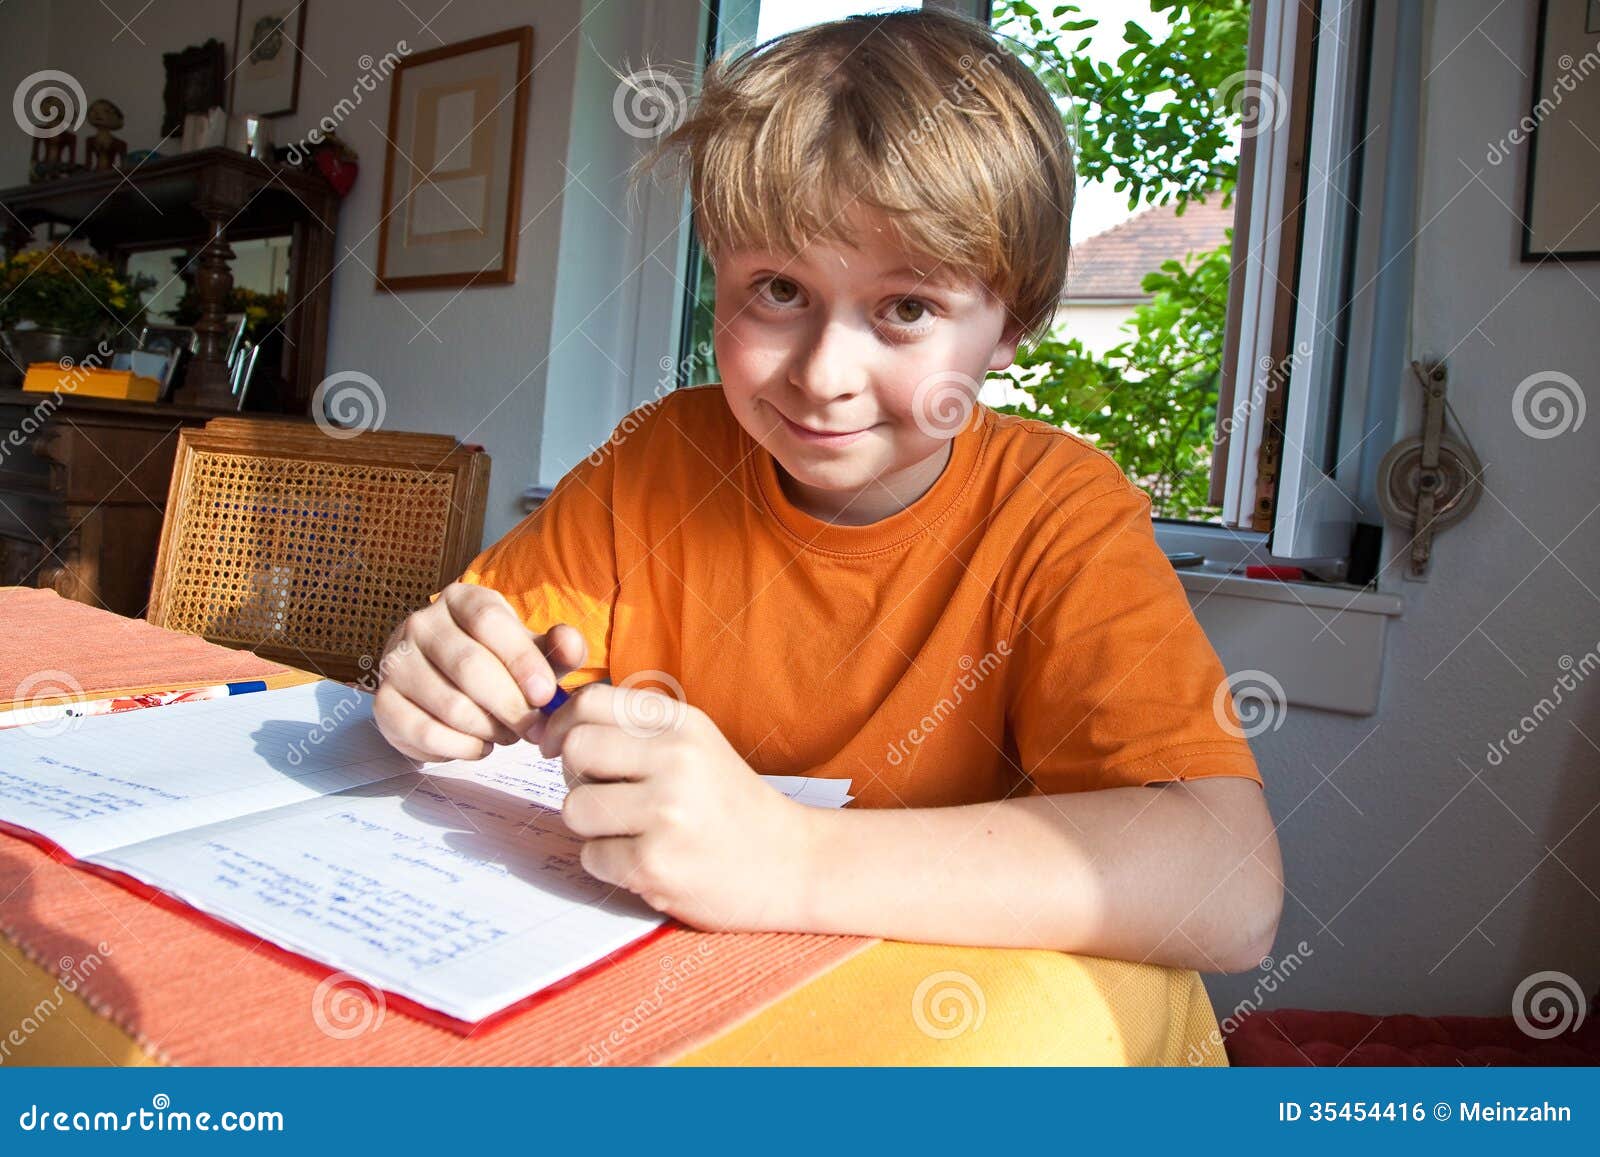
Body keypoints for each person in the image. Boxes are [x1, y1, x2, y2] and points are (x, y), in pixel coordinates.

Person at [373, 9, 1282, 973]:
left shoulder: (1059, 512)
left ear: (1012, 324)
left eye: (906, 307)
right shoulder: (657, 456)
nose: (824, 374)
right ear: (717, 275)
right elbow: (481, 649)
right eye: (777, 290)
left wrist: (789, 858)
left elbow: (1232, 888)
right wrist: (430, 673)